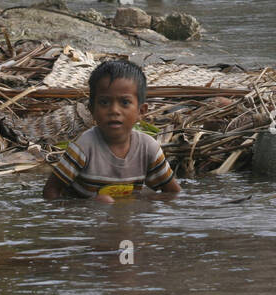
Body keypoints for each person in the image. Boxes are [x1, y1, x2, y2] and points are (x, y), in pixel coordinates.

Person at [43, 59, 181, 202]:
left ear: (141, 111)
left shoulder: (148, 149)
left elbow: (173, 193)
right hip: (88, 217)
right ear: (92, 110)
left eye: (125, 102)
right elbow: (50, 191)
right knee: (104, 202)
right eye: (104, 102)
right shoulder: (84, 147)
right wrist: (84, 208)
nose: (114, 110)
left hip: (126, 218)